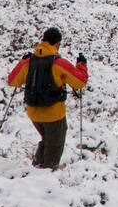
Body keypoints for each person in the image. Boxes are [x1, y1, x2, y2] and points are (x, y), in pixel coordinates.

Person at [7, 27, 88, 169]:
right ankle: (47, 174)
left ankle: (36, 169)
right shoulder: (59, 63)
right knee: (55, 146)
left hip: (33, 112)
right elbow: (80, 82)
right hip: (53, 114)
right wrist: (82, 65)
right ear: (57, 43)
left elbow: (12, 81)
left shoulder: (29, 62)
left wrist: (21, 62)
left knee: (46, 140)